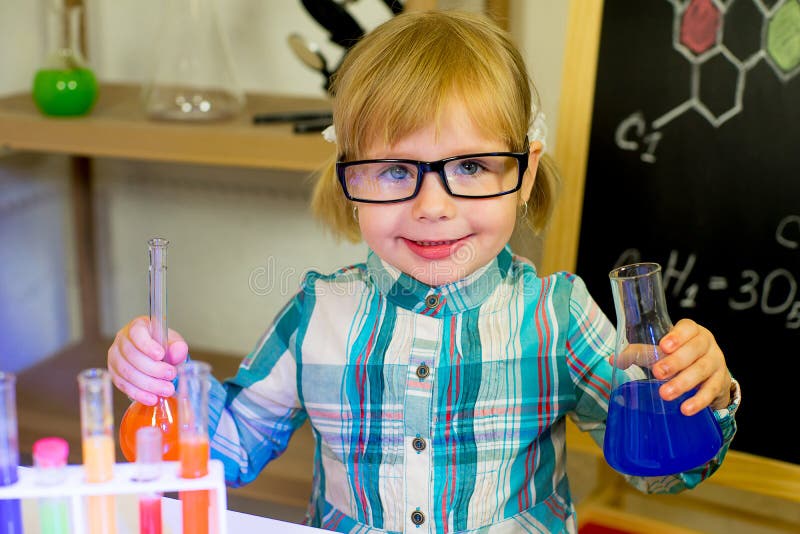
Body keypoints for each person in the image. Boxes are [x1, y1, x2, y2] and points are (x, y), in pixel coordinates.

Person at [107, 10, 740, 533]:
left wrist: (699, 396)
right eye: (393, 170)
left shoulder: (559, 315)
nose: (432, 207)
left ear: (524, 174)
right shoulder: (316, 315)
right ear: (349, 181)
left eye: (471, 166)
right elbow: (224, 452)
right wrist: (157, 390)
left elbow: (660, 472)